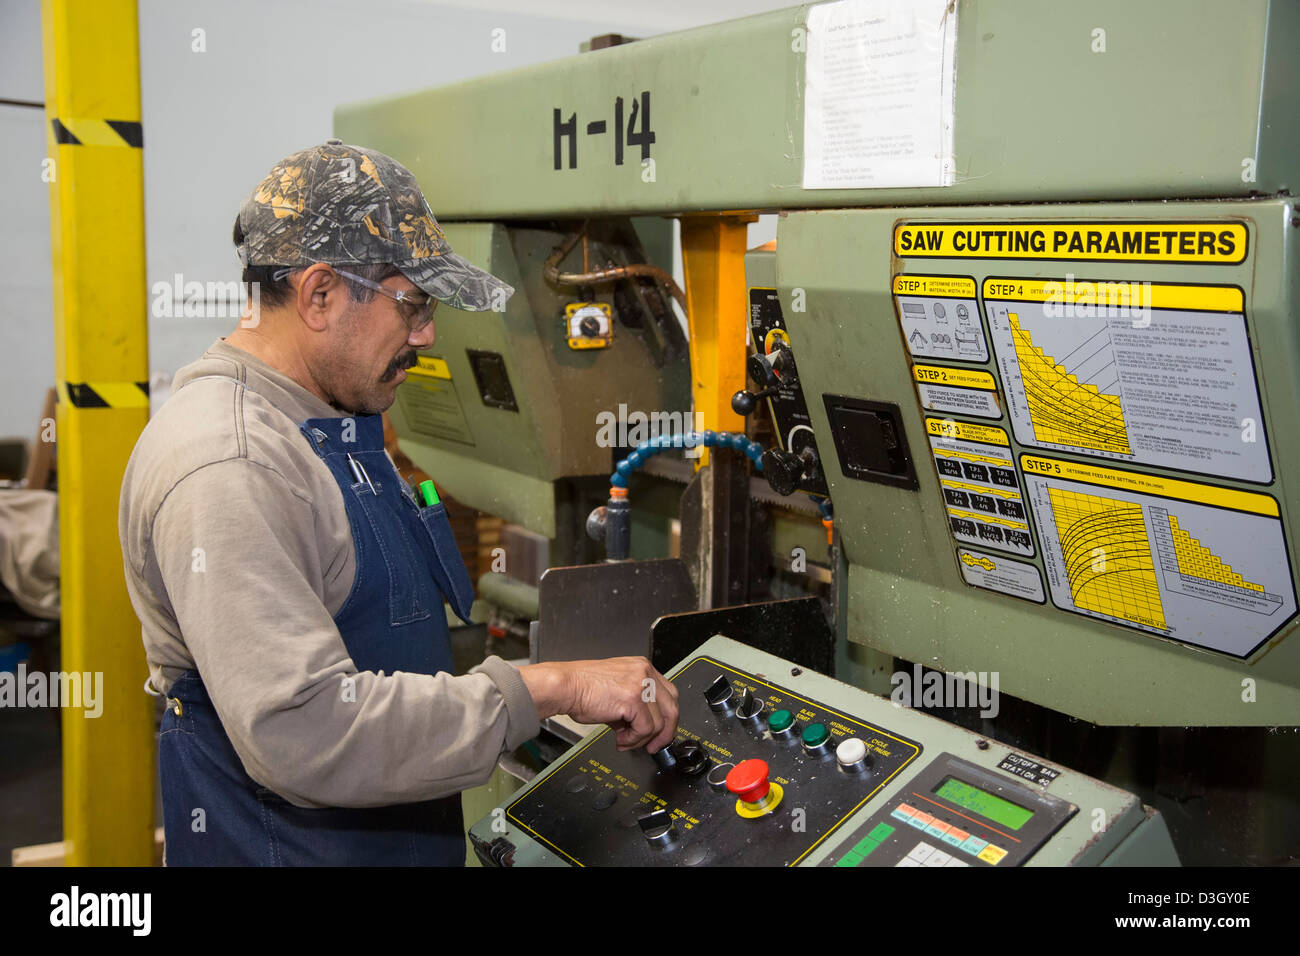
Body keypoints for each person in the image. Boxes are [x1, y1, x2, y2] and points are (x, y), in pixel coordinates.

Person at [118, 140, 679, 866]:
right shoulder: (232, 462)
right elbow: (309, 729)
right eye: (411, 304)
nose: (426, 334)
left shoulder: (324, 419)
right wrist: (548, 687)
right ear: (320, 295)